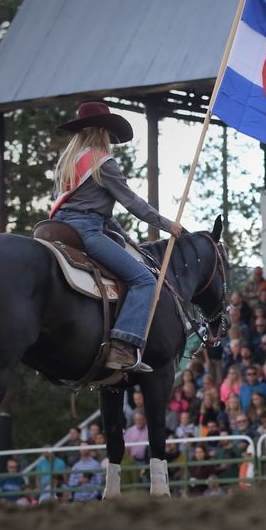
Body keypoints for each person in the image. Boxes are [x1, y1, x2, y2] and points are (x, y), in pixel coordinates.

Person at [50, 102, 183, 372]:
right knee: (145, 281)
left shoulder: (67, 162)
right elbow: (132, 203)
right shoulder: (102, 162)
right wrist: (168, 225)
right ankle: (122, 347)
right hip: (85, 231)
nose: (110, 139)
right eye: (109, 133)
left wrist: (125, 237)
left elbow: (99, 211)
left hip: (56, 227)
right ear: (102, 130)